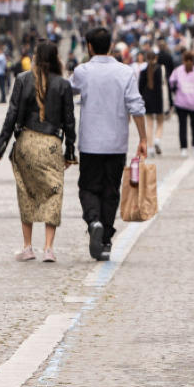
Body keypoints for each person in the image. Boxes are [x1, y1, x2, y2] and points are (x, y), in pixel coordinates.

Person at [0, 41, 76, 263]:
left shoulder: (22, 80)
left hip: (26, 143)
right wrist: (70, 152)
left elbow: (11, 115)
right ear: (56, 57)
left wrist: (0, 147)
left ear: (35, 57)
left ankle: (27, 246)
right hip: (51, 145)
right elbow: (69, 121)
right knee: (54, 192)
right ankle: (48, 248)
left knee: (25, 191)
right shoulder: (63, 84)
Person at [70, 27, 148, 262]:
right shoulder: (125, 73)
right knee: (111, 191)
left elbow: (66, 90)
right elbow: (136, 106)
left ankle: (93, 221)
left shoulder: (82, 72)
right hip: (116, 144)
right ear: (111, 46)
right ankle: (105, 241)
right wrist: (143, 138)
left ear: (89, 47)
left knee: (88, 187)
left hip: (90, 143)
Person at [169, 50, 194, 156]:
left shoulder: (178, 71)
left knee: (183, 126)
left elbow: (171, 83)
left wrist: (176, 92)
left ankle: (184, 147)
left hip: (182, 102)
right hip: (193, 103)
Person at [139, 50, 167, 156]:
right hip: (158, 99)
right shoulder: (160, 69)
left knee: (149, 124)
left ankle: (150, 148)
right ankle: (157, 140)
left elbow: (140, 88)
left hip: (147, 100)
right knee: (160, 123)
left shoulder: (143, 71)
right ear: (156, 58)